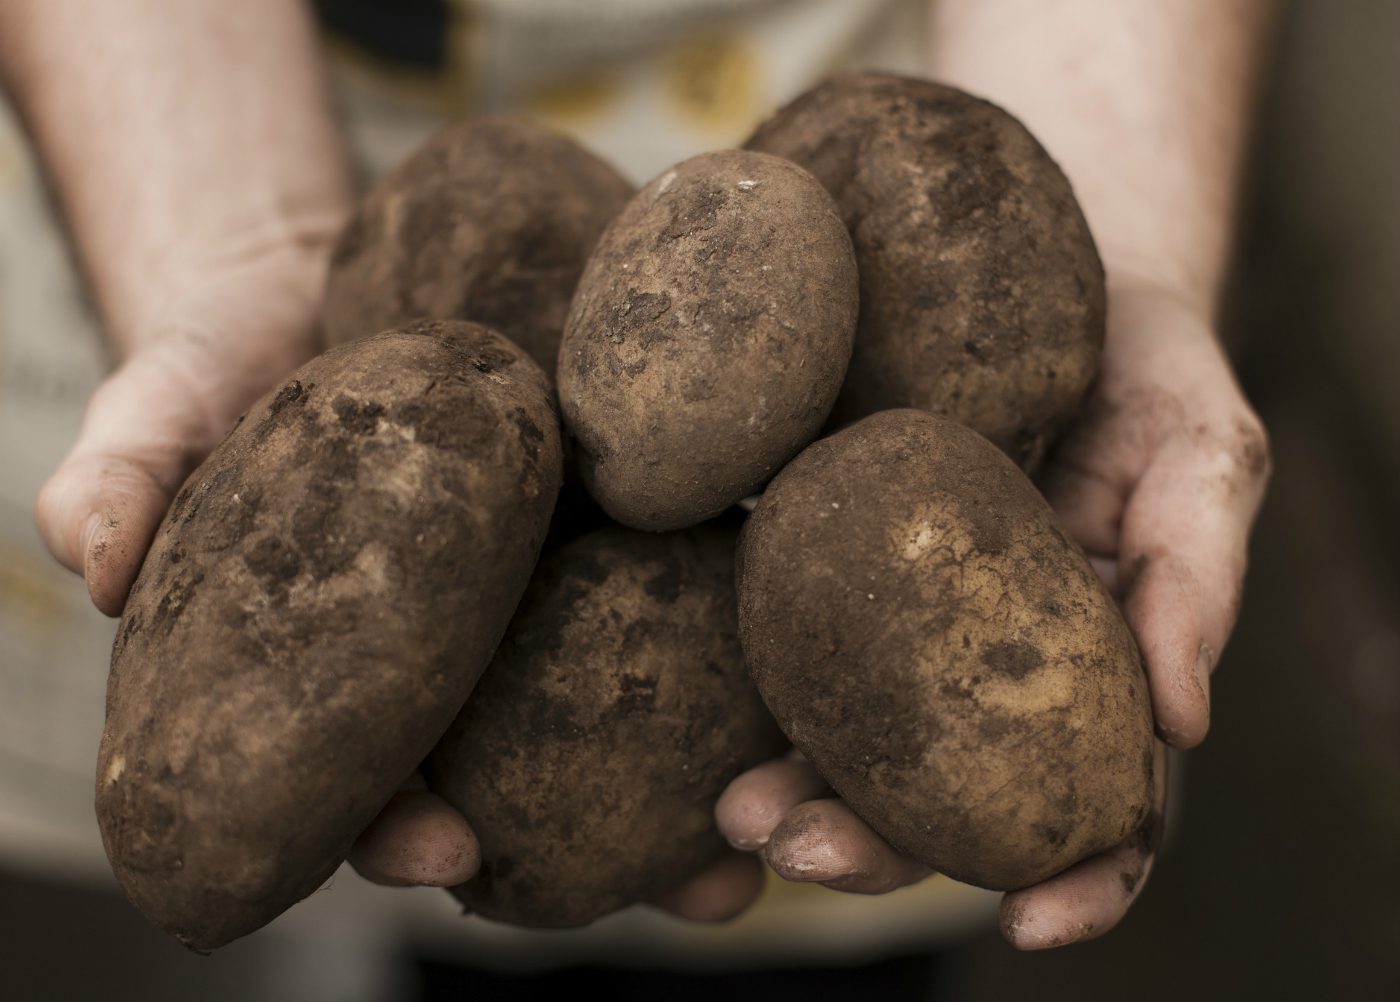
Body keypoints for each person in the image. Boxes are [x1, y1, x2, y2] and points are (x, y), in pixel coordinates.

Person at [0, 0, 1272, 957]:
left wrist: (1133, 237)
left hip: (850, 66)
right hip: (264, 123)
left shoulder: (828, 430)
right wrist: (229, 239)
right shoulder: (476, 370)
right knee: (459, 859)